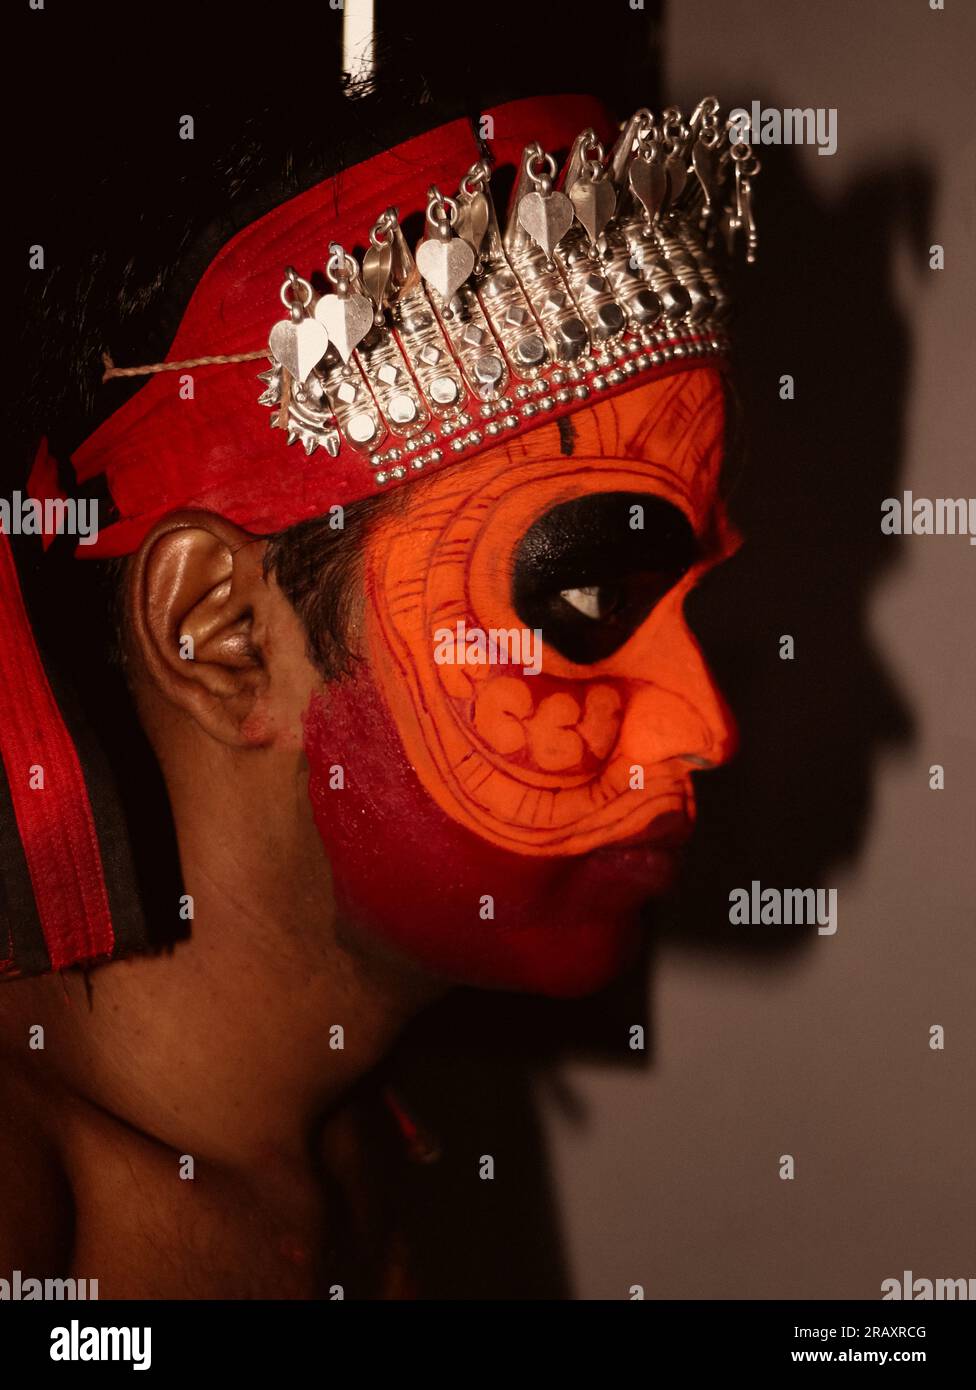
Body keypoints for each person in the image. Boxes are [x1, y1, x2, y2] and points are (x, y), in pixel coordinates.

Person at [0, 86, 755, 1298]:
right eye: (585, 607)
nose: (709, 725)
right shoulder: (35, 1222)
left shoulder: (379, 1133)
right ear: (223, 634)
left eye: (694, 609)